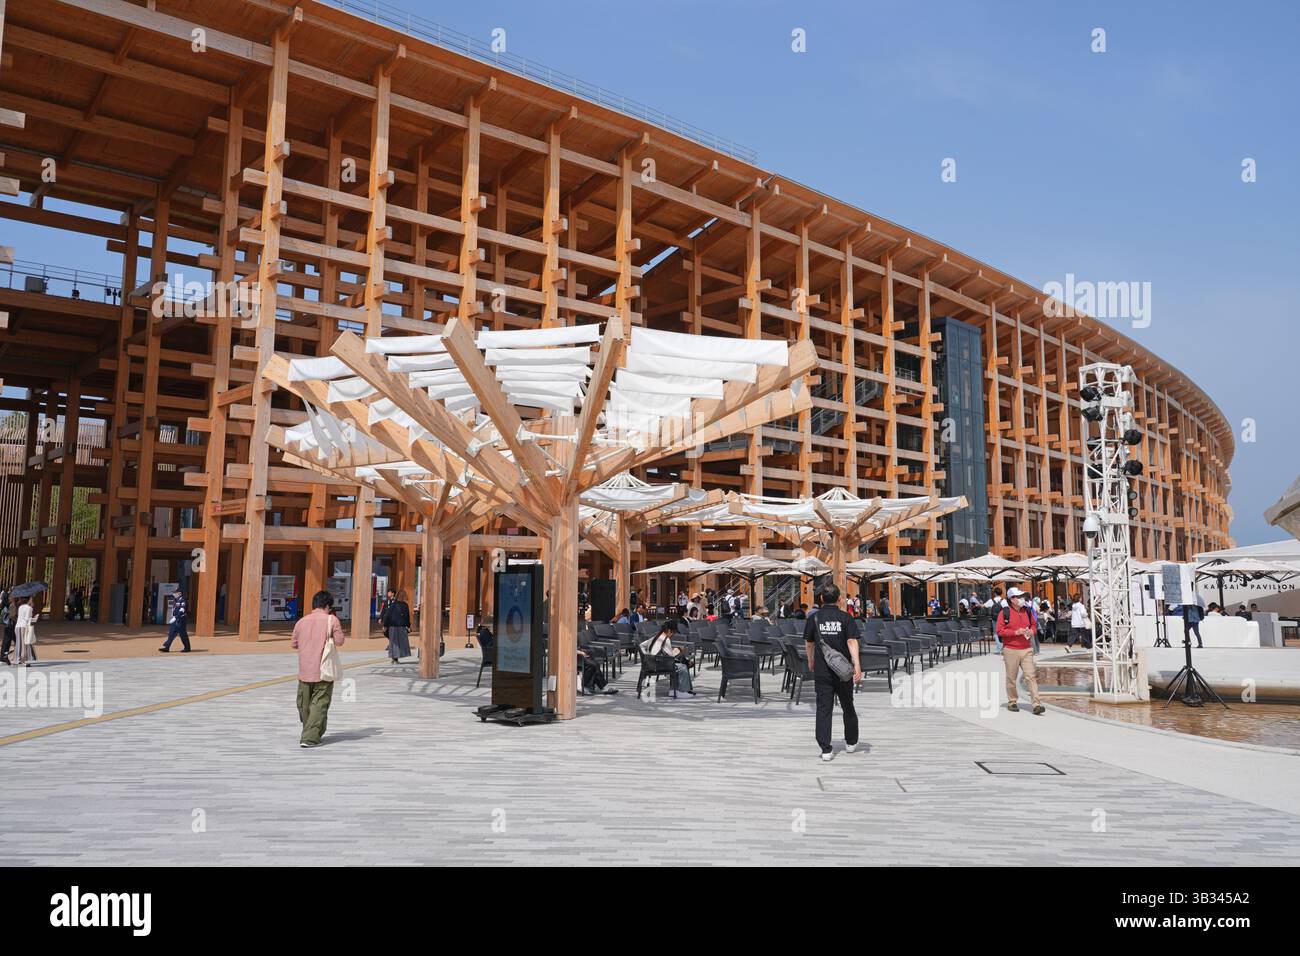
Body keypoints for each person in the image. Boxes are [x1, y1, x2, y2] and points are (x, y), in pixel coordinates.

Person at [803, 584, 862, 762]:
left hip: (822, 670)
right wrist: (857, 665)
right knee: (847, 705)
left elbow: (809, 643)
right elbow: (852, 642)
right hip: (843, 672)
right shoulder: (846, 618)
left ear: (821, 599)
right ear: (840, 599)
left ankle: (826, 749)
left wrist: (810, 659)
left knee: (823, 708)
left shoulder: (814, 618)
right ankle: (851, 742)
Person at [291, 590, 346, 748]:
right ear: (327, 606)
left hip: (304, 671)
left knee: (304, 704)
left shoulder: (301, 622)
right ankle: (309, 737)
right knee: (319, 704)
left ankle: (312, 731)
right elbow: (340, 641)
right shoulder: (332, 620)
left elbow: (294, 643)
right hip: (324, 670)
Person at [997, 587, 1044, 715]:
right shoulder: (1004, 613)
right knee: (1011, 677)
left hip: (1027, 649)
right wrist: (1015, 632)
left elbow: (1034, 625)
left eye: (1023, 596)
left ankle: (1037, 704)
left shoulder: (1028, 611)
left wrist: (1031, 631)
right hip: (1010, 649)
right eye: (1019, 596)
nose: (1022, 599)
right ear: (1012, 599)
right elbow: (999, 631)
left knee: (1031, 676)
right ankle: (1012, 701)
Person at [638, 618, 694, 698]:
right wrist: (678, 650)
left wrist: (646, 656)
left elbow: (641, 645)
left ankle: (673, 690)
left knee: (678, 664)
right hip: (658, 666)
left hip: (650, 663)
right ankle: (682, 691)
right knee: (682, 667)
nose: (673, 635)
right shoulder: (666, 640)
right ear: (668, 630)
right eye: (673, 632)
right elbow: (671, 657)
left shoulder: (655, 637)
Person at [380, 589, 412, 663]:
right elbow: (407, 617)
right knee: (401, 642)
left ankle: (394, 657)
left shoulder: (393, 604)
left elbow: (387, 615)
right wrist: (408, 626)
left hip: (392, 626)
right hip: (401, 626)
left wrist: (385, 625)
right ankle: (396, 657)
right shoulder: (405, 605)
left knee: (393, 642)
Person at [15, 596, 38, 666]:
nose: (32, 601)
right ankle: (24, 660)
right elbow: (28, 619)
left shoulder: (20, 607)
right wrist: (35, 618)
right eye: (31, 599)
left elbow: (20, 617)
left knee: (19, 643)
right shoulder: (29, 608)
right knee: (25, 644)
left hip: (17, 626)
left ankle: (18, 659)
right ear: (29, 600)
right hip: (24, 626)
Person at [1, 596, 15, 665]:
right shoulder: (12, 605)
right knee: (8, 641)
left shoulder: (8, 604)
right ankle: (4, 656)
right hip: (11, 626)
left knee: (6, 641)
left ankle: (3, 656)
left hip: (8, 626)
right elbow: (12, 616)